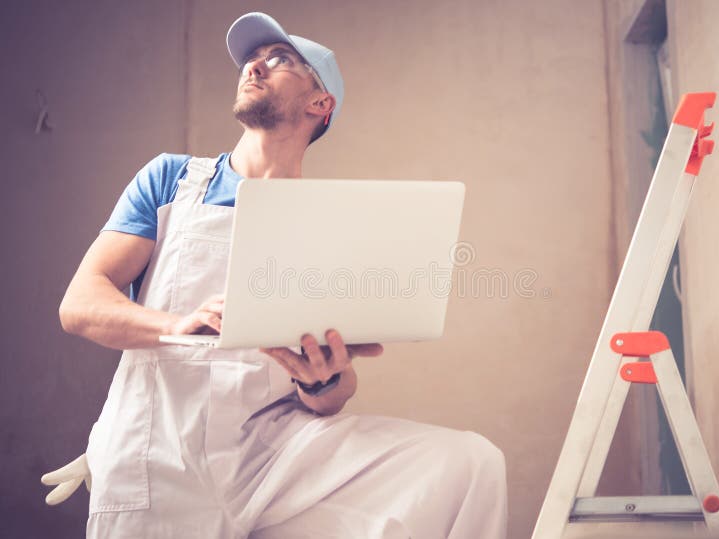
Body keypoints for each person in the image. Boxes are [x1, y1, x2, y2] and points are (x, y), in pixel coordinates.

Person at [43, 12, 508, 538]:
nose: (255, 65)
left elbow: (331, 396)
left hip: (276, 456)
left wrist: (325, 379)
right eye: (251, 58)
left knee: (470, 463)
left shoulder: (332, 225)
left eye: (281, 59)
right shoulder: (172, 180)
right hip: (161, 449)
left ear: (319, 103)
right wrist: (176, 324)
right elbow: (79, 305)